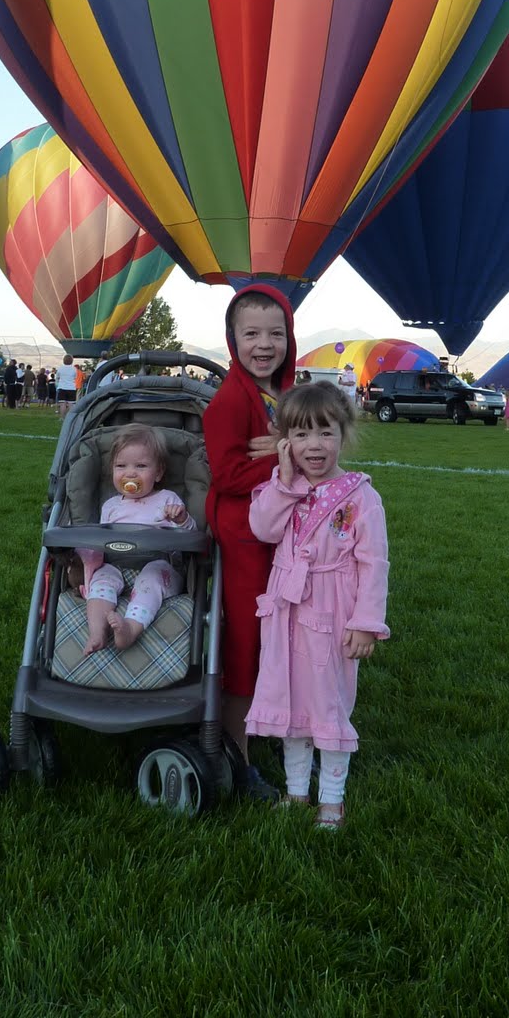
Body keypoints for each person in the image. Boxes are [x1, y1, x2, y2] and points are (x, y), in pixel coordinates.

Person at [245, 383, 389, 830]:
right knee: (291, 704)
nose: (315, 445)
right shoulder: (284, 488)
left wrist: (366, 622)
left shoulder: (360, 496)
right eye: (302, 435)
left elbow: (374, 561)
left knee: (327, 705)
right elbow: (263, 528)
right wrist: (284, 480)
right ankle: (296, 792)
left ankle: (332, 800)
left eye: (326, 433)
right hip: (286, 613)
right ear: (286, 441)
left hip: (332, 613)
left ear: (343, 434)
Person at [204, 283, 297, 801]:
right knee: (245, 640)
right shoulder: (229, 401)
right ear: (232, 339)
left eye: (276, 333)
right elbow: (228, 474)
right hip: (244, 539)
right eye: (252, 333)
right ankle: (234, 752)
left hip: (276, 533)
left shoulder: (281, 395)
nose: (265, 344)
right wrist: (281, 455)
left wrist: (289, 446)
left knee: (279, 632)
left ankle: (273, 725)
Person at [71, 424, 196, 655]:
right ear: (112, 471)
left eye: (141, 466)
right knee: (101, 579)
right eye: (121, 466)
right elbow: (99, 543)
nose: (130, 473)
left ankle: (130, 629)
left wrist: (181, 519)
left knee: (152, 577)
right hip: (116, 564)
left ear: (158, 472)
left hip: (159, 566)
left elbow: (190, 535)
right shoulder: (110, 506)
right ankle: (97, 631)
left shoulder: (167, 500)